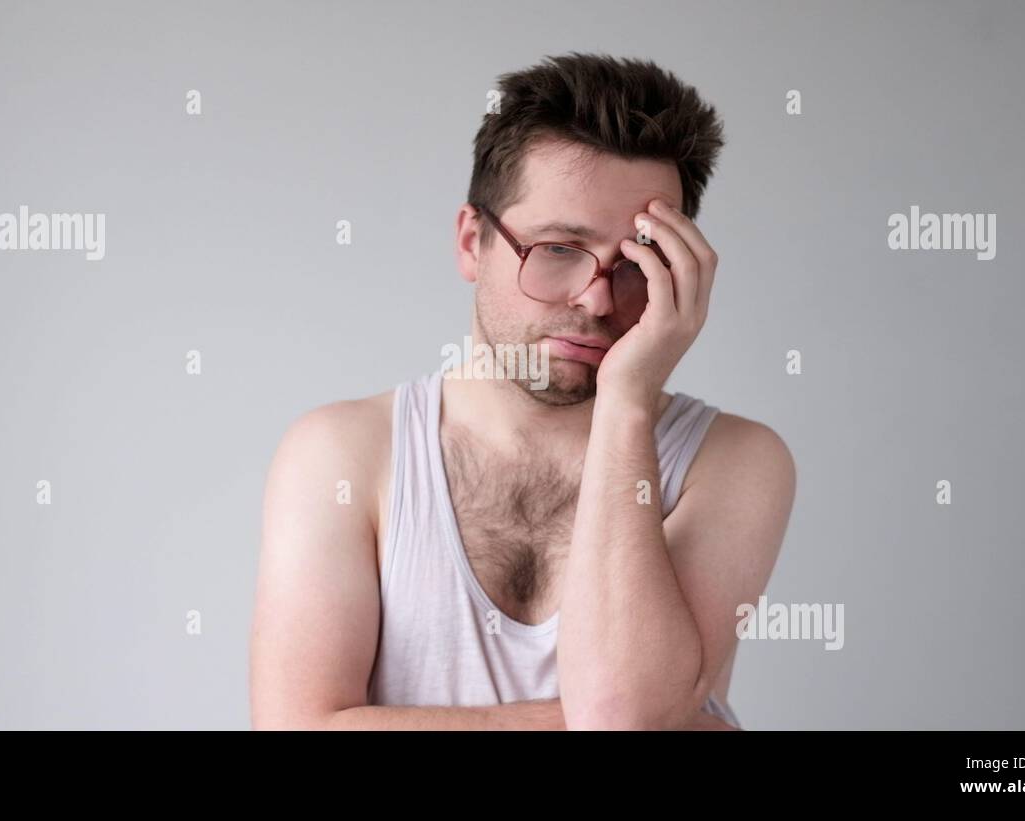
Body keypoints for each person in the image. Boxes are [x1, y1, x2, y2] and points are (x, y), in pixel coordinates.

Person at [250, 52, 796, 730]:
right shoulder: (341, 455)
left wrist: (627, 401)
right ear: (473, 241)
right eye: (559, 249)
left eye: (636, 263)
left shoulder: (736, 461)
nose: (597, 298)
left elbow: (623, 714)